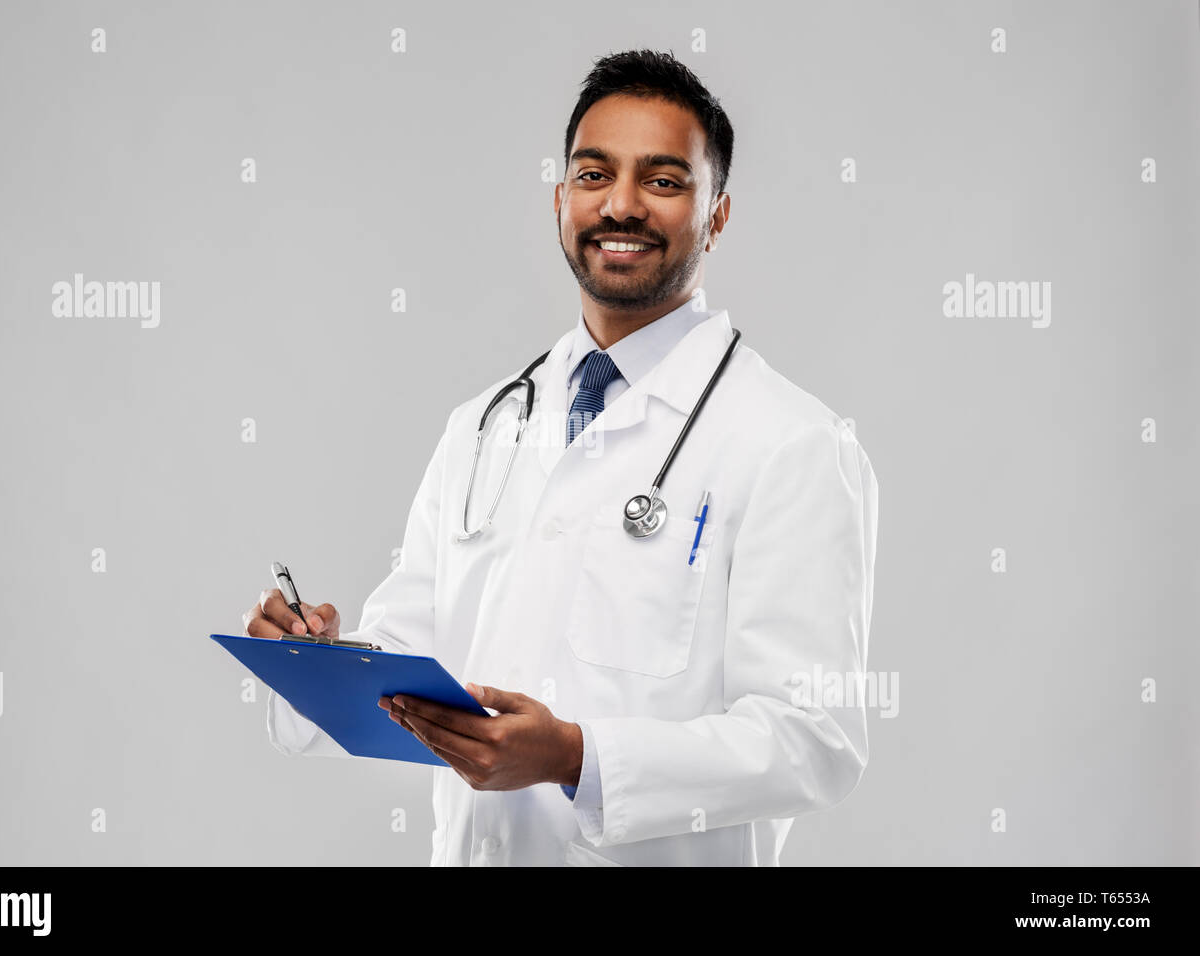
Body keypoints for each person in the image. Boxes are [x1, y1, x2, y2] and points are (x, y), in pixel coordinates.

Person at [242, 48, 879, 866]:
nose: (621, 205)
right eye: (592, 174)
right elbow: (412, 658)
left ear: (717, 213)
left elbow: (815, 739)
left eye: (664, 180)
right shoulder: (481, 425)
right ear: (558, 199)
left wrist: (577, 758)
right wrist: (317, 662)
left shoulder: (793, 444)